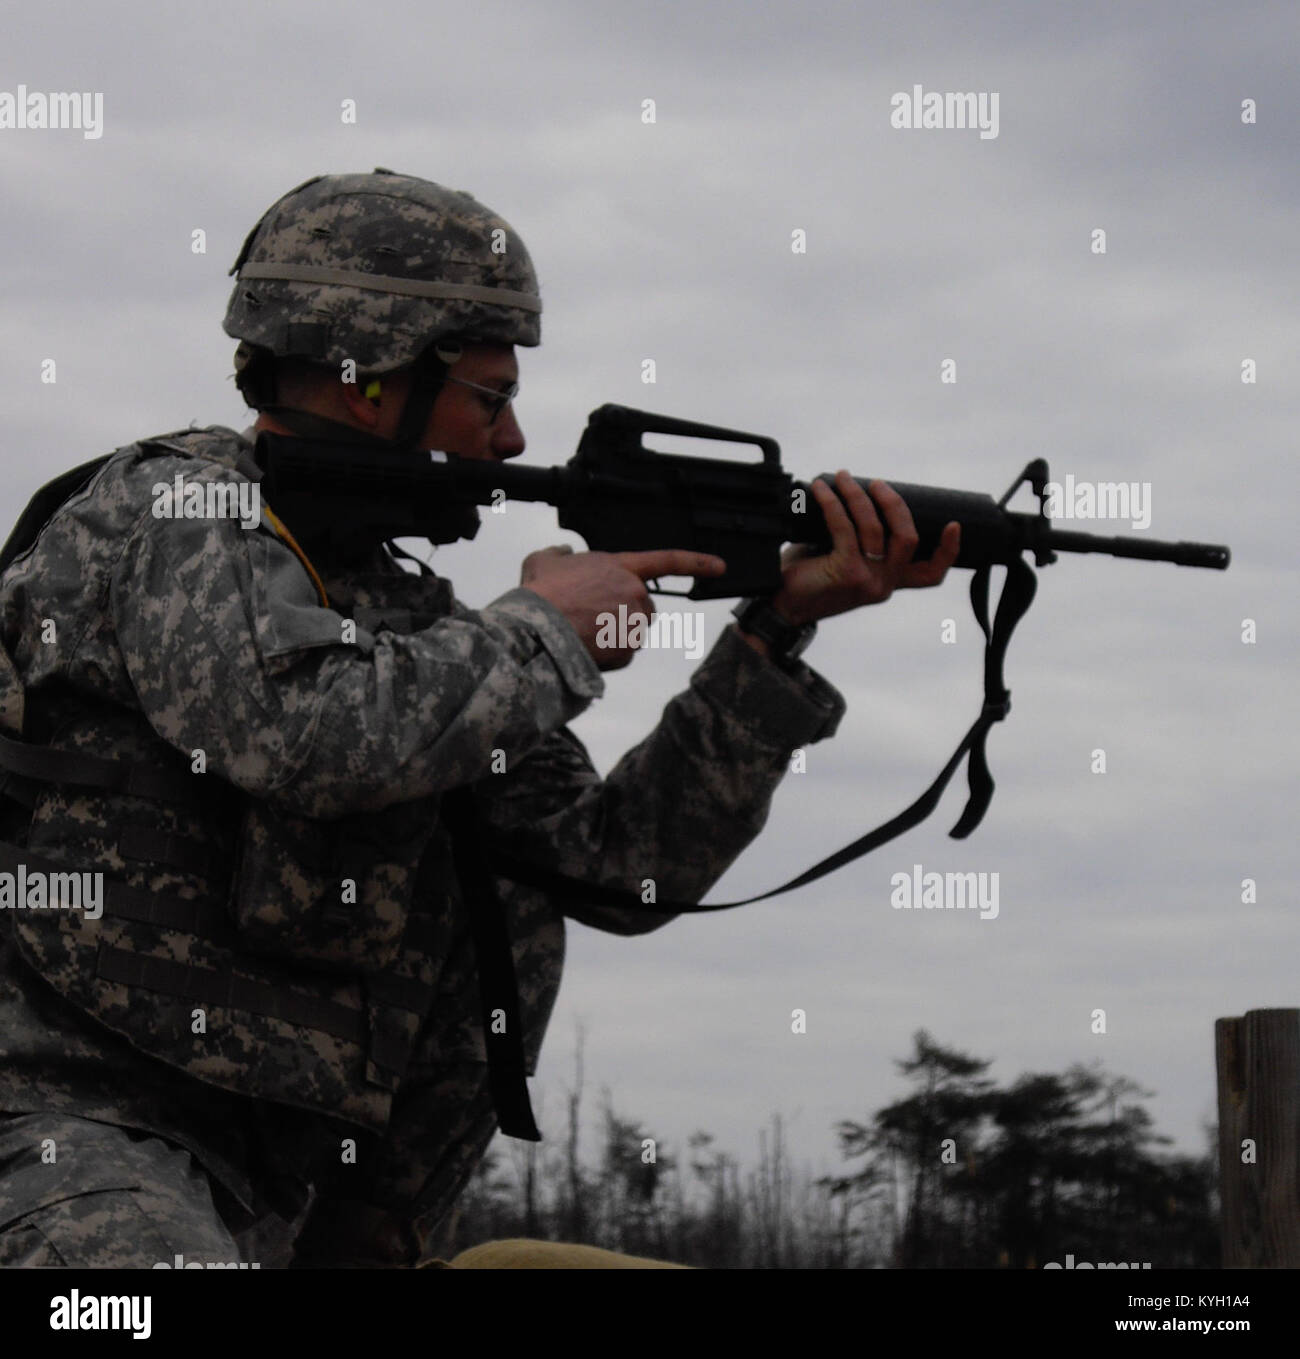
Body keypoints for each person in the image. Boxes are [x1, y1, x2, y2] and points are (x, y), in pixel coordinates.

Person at [0, 169, 958, 1269]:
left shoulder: (414, 620)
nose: (509, 443)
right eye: (490, 398)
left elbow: (615, 868)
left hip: (287, 1189)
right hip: (66, 1138)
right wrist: (544, 633)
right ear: (371, 381)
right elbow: (294, 738)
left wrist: (774, 631)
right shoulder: (173, 507)